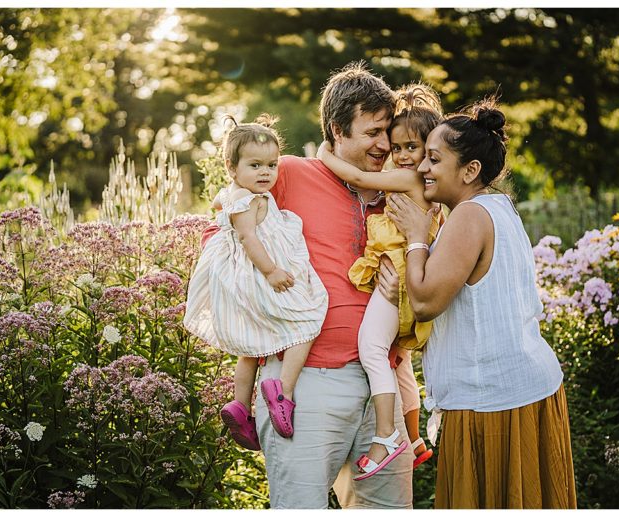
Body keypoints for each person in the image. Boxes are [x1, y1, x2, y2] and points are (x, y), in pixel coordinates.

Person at [386, 96, 577, 508]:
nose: (421, 167)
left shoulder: (470, 216)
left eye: (434, 159)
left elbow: (425, 302)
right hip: (523, 390)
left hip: (492, 404)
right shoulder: (499, 207)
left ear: (470, 170)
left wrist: (417, 235)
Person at [253, 61, 414, 508]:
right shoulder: (287, 173)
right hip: (306, 385)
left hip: (384, 386)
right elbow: (224, 232)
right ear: (336, 130)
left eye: (390, 132)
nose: (386, 145)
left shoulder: (398, 189)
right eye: (373, 133)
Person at [316, 83, 443, 478]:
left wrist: (322, 154)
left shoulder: (409, 181)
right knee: (397, 359)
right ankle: (412, 434)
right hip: (400, 268)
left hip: (399, 274)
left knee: (372, 348)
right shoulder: (418, 181)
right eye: (396, 145)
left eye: (412, 148)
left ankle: (387, 434)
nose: (399, 154)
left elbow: (355, 175)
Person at [183, 115, 328, 451]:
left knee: (250, 347)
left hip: (240, 279)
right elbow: (248, 238)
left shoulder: (233, 194)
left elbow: (220, 203)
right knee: (307, 320)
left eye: (272, 165)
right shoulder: (250, 201)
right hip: (258, 274)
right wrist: (272, 271)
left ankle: (239, 404)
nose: (266, 173)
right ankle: (283, 391)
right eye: (255, 165)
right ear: (231, 167)